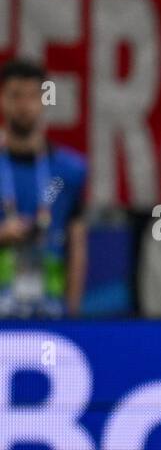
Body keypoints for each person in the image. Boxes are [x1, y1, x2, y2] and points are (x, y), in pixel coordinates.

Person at [0, 59, 88, 319]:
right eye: (15, 96)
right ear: (2, 99)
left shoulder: (67, 173)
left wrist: (72, 314)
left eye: (32, 96)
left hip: (51, 311)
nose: (23, 106)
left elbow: (77, 243)